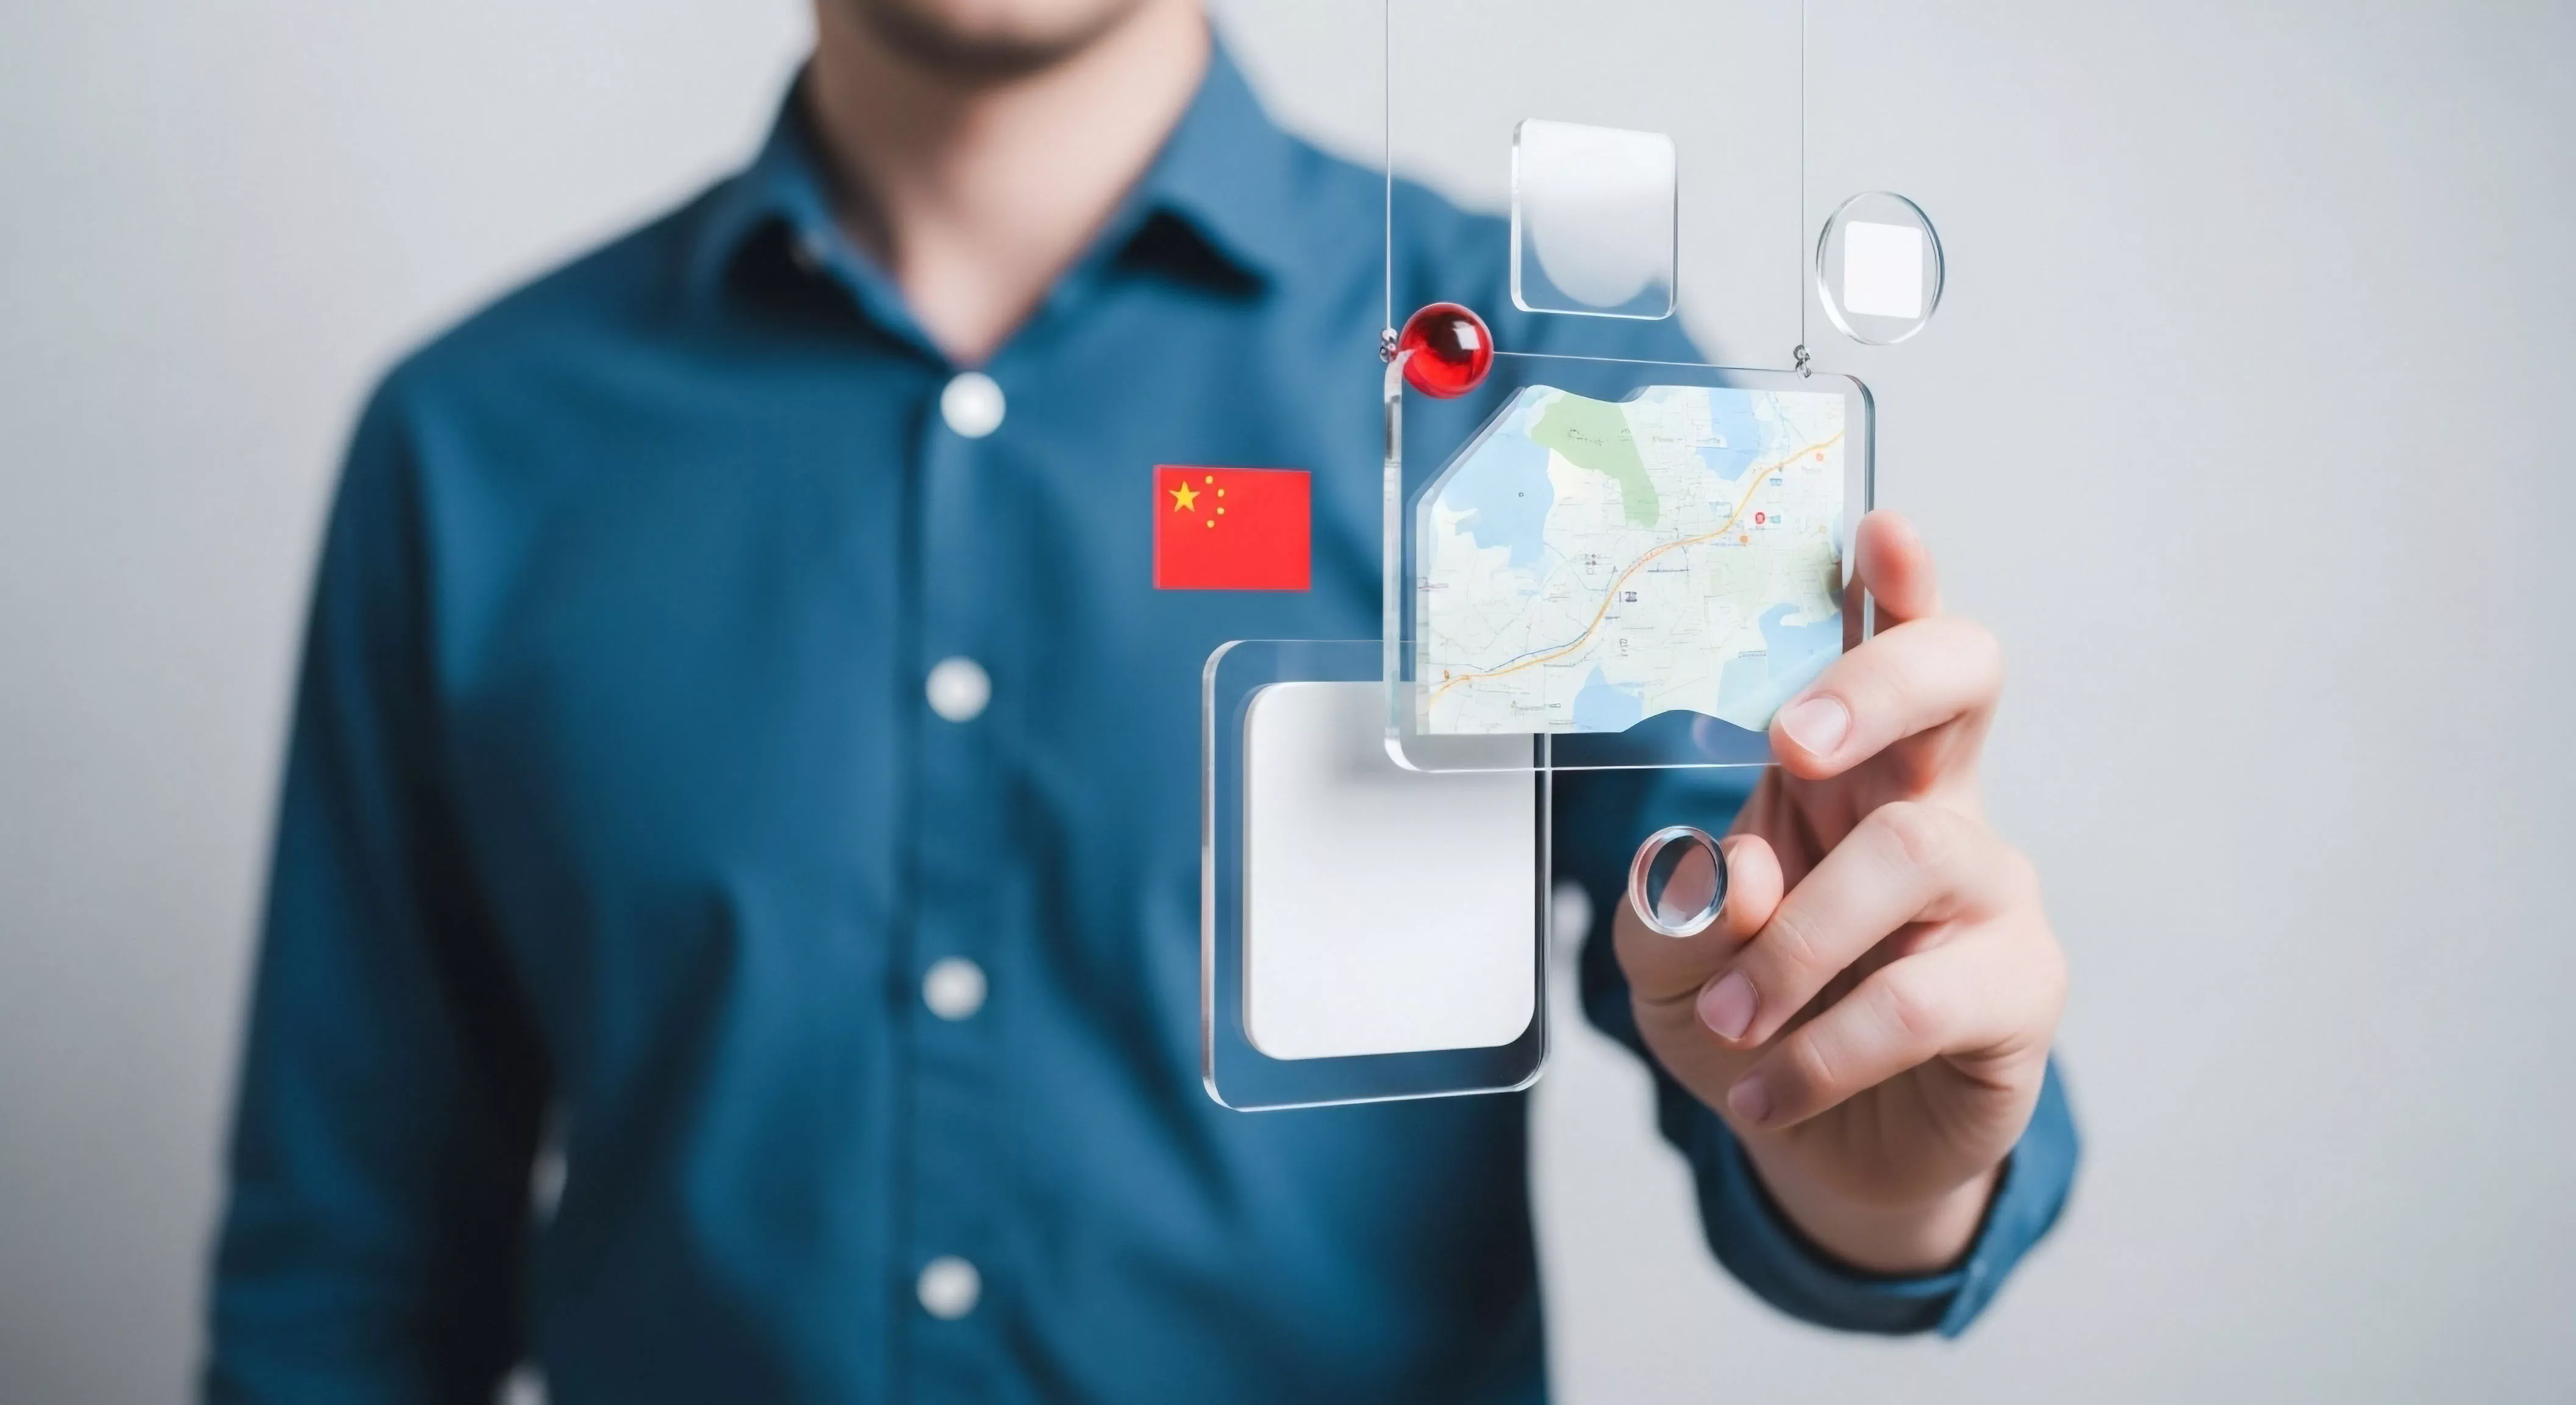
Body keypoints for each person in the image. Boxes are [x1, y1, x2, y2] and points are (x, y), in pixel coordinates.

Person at [206, 0, 2078, 1399]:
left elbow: (1807, 1030)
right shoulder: (474, 449)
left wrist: (1878, 1163)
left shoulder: (1540, 393)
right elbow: (345, 1273)